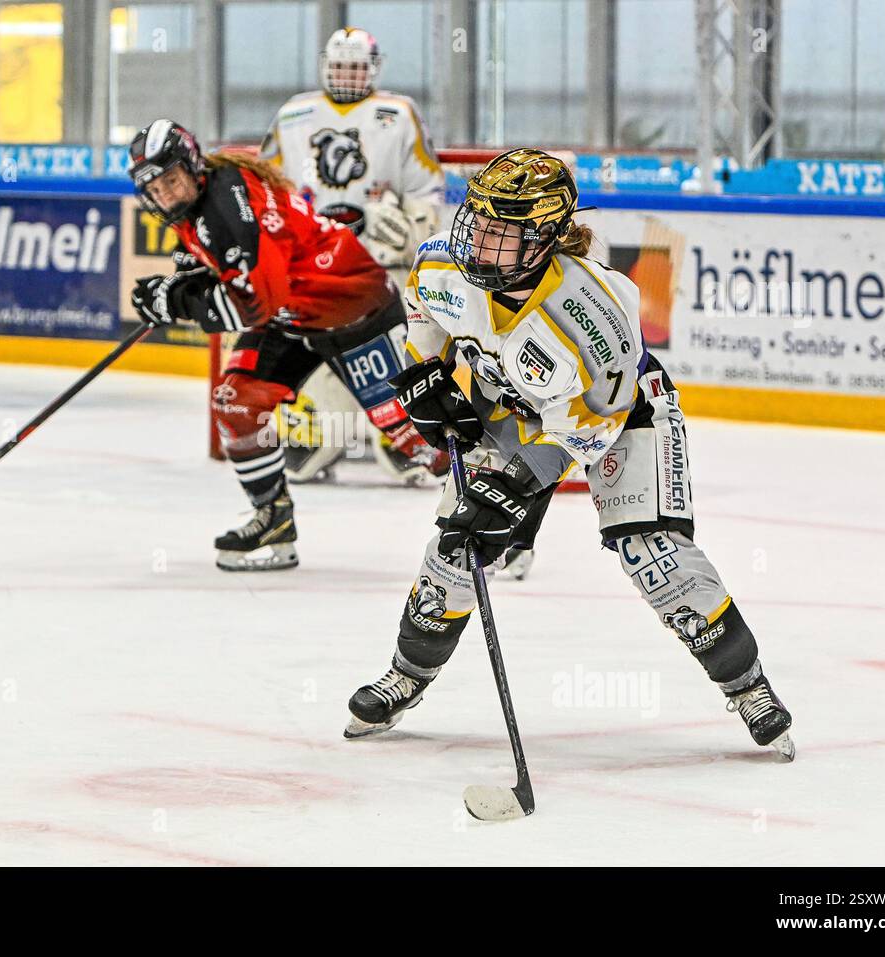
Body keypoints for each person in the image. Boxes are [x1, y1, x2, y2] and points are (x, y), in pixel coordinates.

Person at [344, 149, 795, 760]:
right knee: (458, 547)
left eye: (502, 232)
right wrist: (427, 381)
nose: (480, 242)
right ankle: (406, 676)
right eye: (478, 222)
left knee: (653, 554)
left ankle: (747, 687)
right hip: (510, 406)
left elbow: (591, 423)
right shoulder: (445, 265)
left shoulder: (593, 318)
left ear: (544, 238)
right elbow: (424, 317)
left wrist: (517, 485)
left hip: (622, 415)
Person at [126, 118, 447, 571]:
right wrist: (181, 287)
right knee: (237, 403)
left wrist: (177, 299)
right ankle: (273, 519)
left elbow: (253, 305)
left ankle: (496, 530)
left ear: (192, 165)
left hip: (352, 310)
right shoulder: (200, 200)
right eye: (155, 189)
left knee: (419, 436)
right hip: (294, 315)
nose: (165, 195)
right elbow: (233, 275)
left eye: (171, 181)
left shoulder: (224, 205)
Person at [259, 27, 446, 483]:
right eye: (340, 66)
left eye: (357, 67)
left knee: (398, 350)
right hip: (314, 266)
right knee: (314, 354)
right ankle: (324, 431)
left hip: (382, 263)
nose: (348, 75)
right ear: (325, 66)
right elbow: (267, 190)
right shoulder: (293, 116)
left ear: (373, 69)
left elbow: (427, 190)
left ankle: (404, 437)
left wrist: (408, 224)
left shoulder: (398, 114)